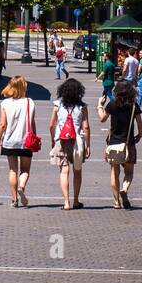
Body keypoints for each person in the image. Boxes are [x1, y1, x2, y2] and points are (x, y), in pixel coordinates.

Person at [97, 78, 142, 209]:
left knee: (114, 172)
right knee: (129, 173)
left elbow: (102, 119)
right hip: (129, 143)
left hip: (114, 143)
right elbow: (140, 124)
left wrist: (100, 105)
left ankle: (116, 202)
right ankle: (124, 188)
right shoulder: (134, 105)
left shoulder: (112, 104)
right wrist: (139, 135)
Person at [0, 76, 37, 207]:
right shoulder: (30, 102)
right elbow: (32, 122)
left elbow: (2, 124)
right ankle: (21, 187)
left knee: (13, 170)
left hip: (9, 141)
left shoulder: (5, 103)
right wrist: (35, 135)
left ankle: (14, 200)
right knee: (25, 170)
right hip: (26, 141)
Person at [49, 77, 91, 210]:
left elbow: (51, 125)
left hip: (61, 140)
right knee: (77, 171)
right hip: (77, 141)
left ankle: (66, 202)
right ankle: (76, 200)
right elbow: (86, 127)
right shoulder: (82, 106)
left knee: (64, 171)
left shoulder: (57, 105)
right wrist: (88, 145)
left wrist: (53, 139)